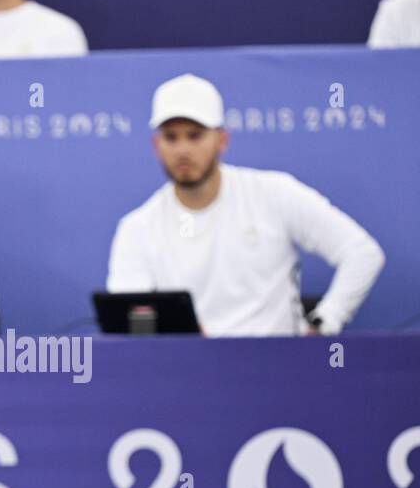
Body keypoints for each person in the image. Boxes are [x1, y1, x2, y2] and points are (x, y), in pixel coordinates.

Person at [107, 74, 386, 337]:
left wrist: (324, 321)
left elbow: (362, 252)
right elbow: (131, 320)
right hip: (187, 373)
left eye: (194, 135)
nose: (183, 150)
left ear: (222, 140)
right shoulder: (137, 228)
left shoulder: (274, 193)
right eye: (171, 137)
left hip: (280, 369)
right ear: (156, 145)